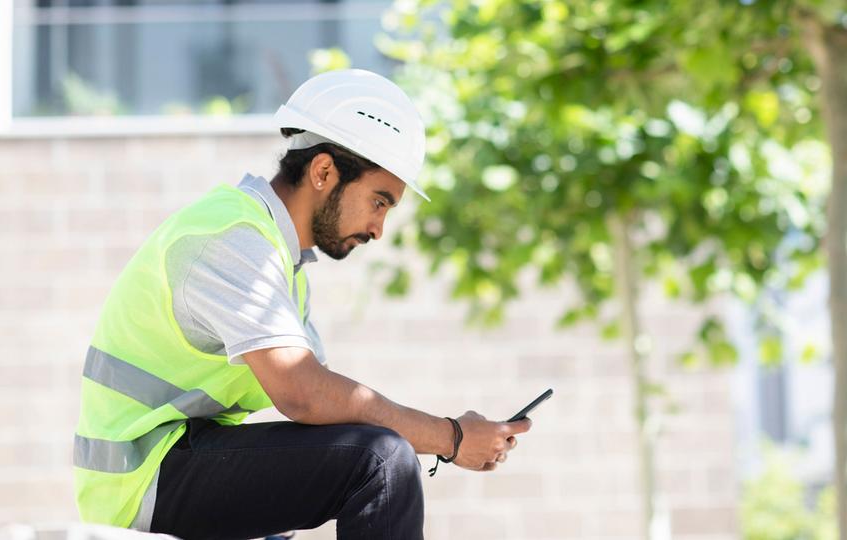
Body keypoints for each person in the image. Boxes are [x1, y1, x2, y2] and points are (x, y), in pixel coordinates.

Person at [73, 69, 533, 540]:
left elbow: (333, 408)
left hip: (184, 461)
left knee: (367, 454)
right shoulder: (234, 239)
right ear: (323, 172)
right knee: (381, 460)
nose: (379, 230)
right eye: (379, 202)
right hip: (144, 481)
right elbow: (304, 395)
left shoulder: (281, 260)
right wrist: (451, 438)